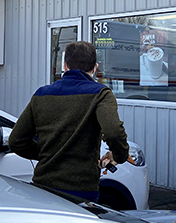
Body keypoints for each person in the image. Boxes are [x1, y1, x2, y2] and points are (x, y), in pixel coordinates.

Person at [9, 41, 129, 202]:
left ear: (65, 66)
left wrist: (50, 154)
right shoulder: (100, 94)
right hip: (81, 190)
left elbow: (16, 141)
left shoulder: (41, 94)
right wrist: (119, 156)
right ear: (95, 67)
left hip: (42, 187)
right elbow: (113, 131)